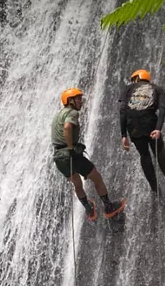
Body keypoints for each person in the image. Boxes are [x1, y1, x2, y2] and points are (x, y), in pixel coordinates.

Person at [51, 87, 125, 221]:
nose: (81, 101)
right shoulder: (72, 112)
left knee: (76, 182)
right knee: (96, 177)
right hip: (69, 154)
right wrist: (71, 148)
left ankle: (88, 208)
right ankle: (109, 207)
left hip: (58, 157)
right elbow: (67, 127)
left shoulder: (57, 115)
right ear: (70, 100)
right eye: (78, 99)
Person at [120, 69, 165, 197]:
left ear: (137, 78)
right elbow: (162, 109)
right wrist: (158, 128)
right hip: (151, 125)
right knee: (160, 155)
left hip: (133, 128)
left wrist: (123, 135)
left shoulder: (128, 89)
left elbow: (122, 111)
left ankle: (155, 190)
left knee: (144, 155)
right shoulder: (157, 89)